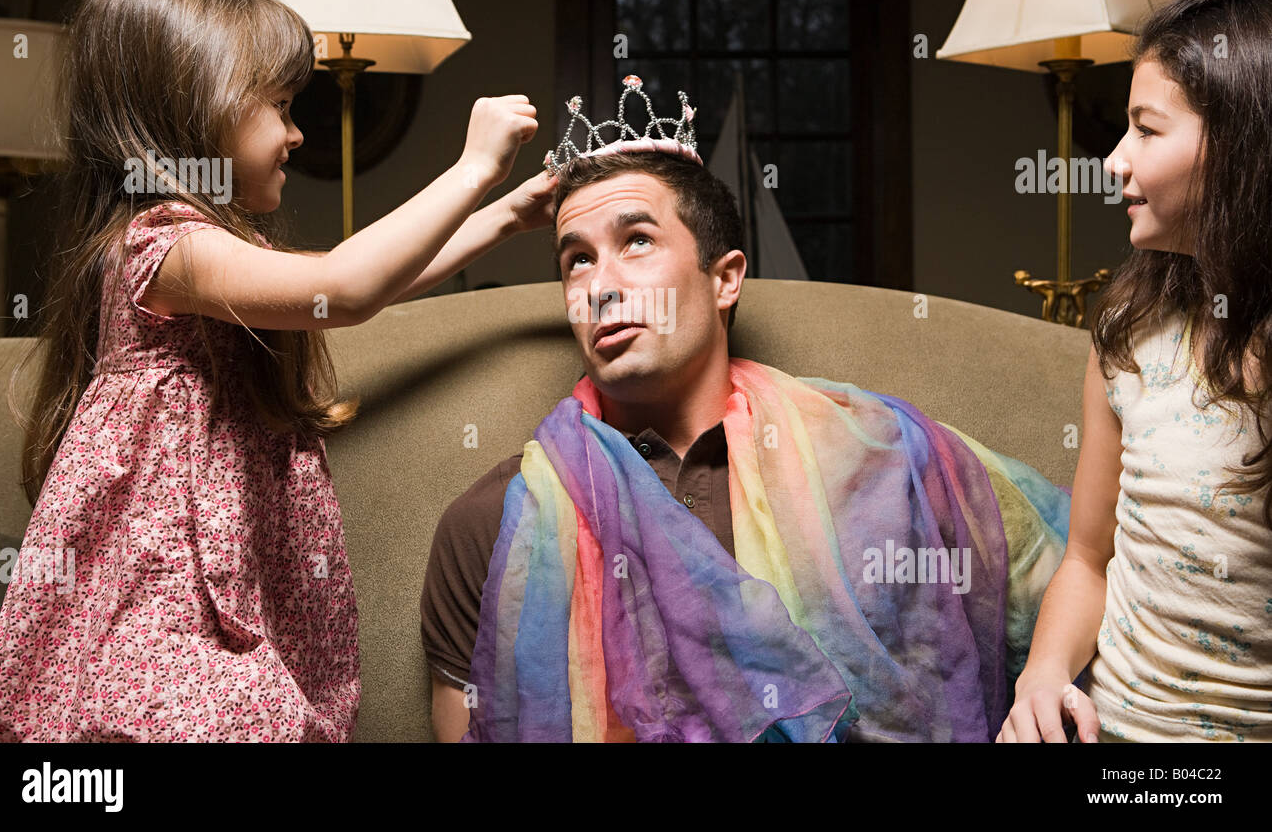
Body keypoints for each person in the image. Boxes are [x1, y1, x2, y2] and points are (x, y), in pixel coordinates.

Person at [0, 0, 556, 742]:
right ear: (194, 112)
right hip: (152, 596)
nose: (296, 132)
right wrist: (472, 168)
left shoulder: (215, 247)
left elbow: (338, 284)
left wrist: (501, 217)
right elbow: (344, 292)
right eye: (278, 107)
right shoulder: (160, 242)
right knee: (221, 717)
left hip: (216, 596)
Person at [421, 77, 1071, 742]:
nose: (602, 287)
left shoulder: (878, 457)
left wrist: (1043, 678)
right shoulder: (494, 523)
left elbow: (1087, 561)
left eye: (636, 241)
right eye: (576, 261)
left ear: (726, 277)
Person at [1000, 0, 1272, 743]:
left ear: (1243, 149)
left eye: (1146, 130)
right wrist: (1042, 680)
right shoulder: (1128, 331)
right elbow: (1089, 559)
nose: (1114, 160)